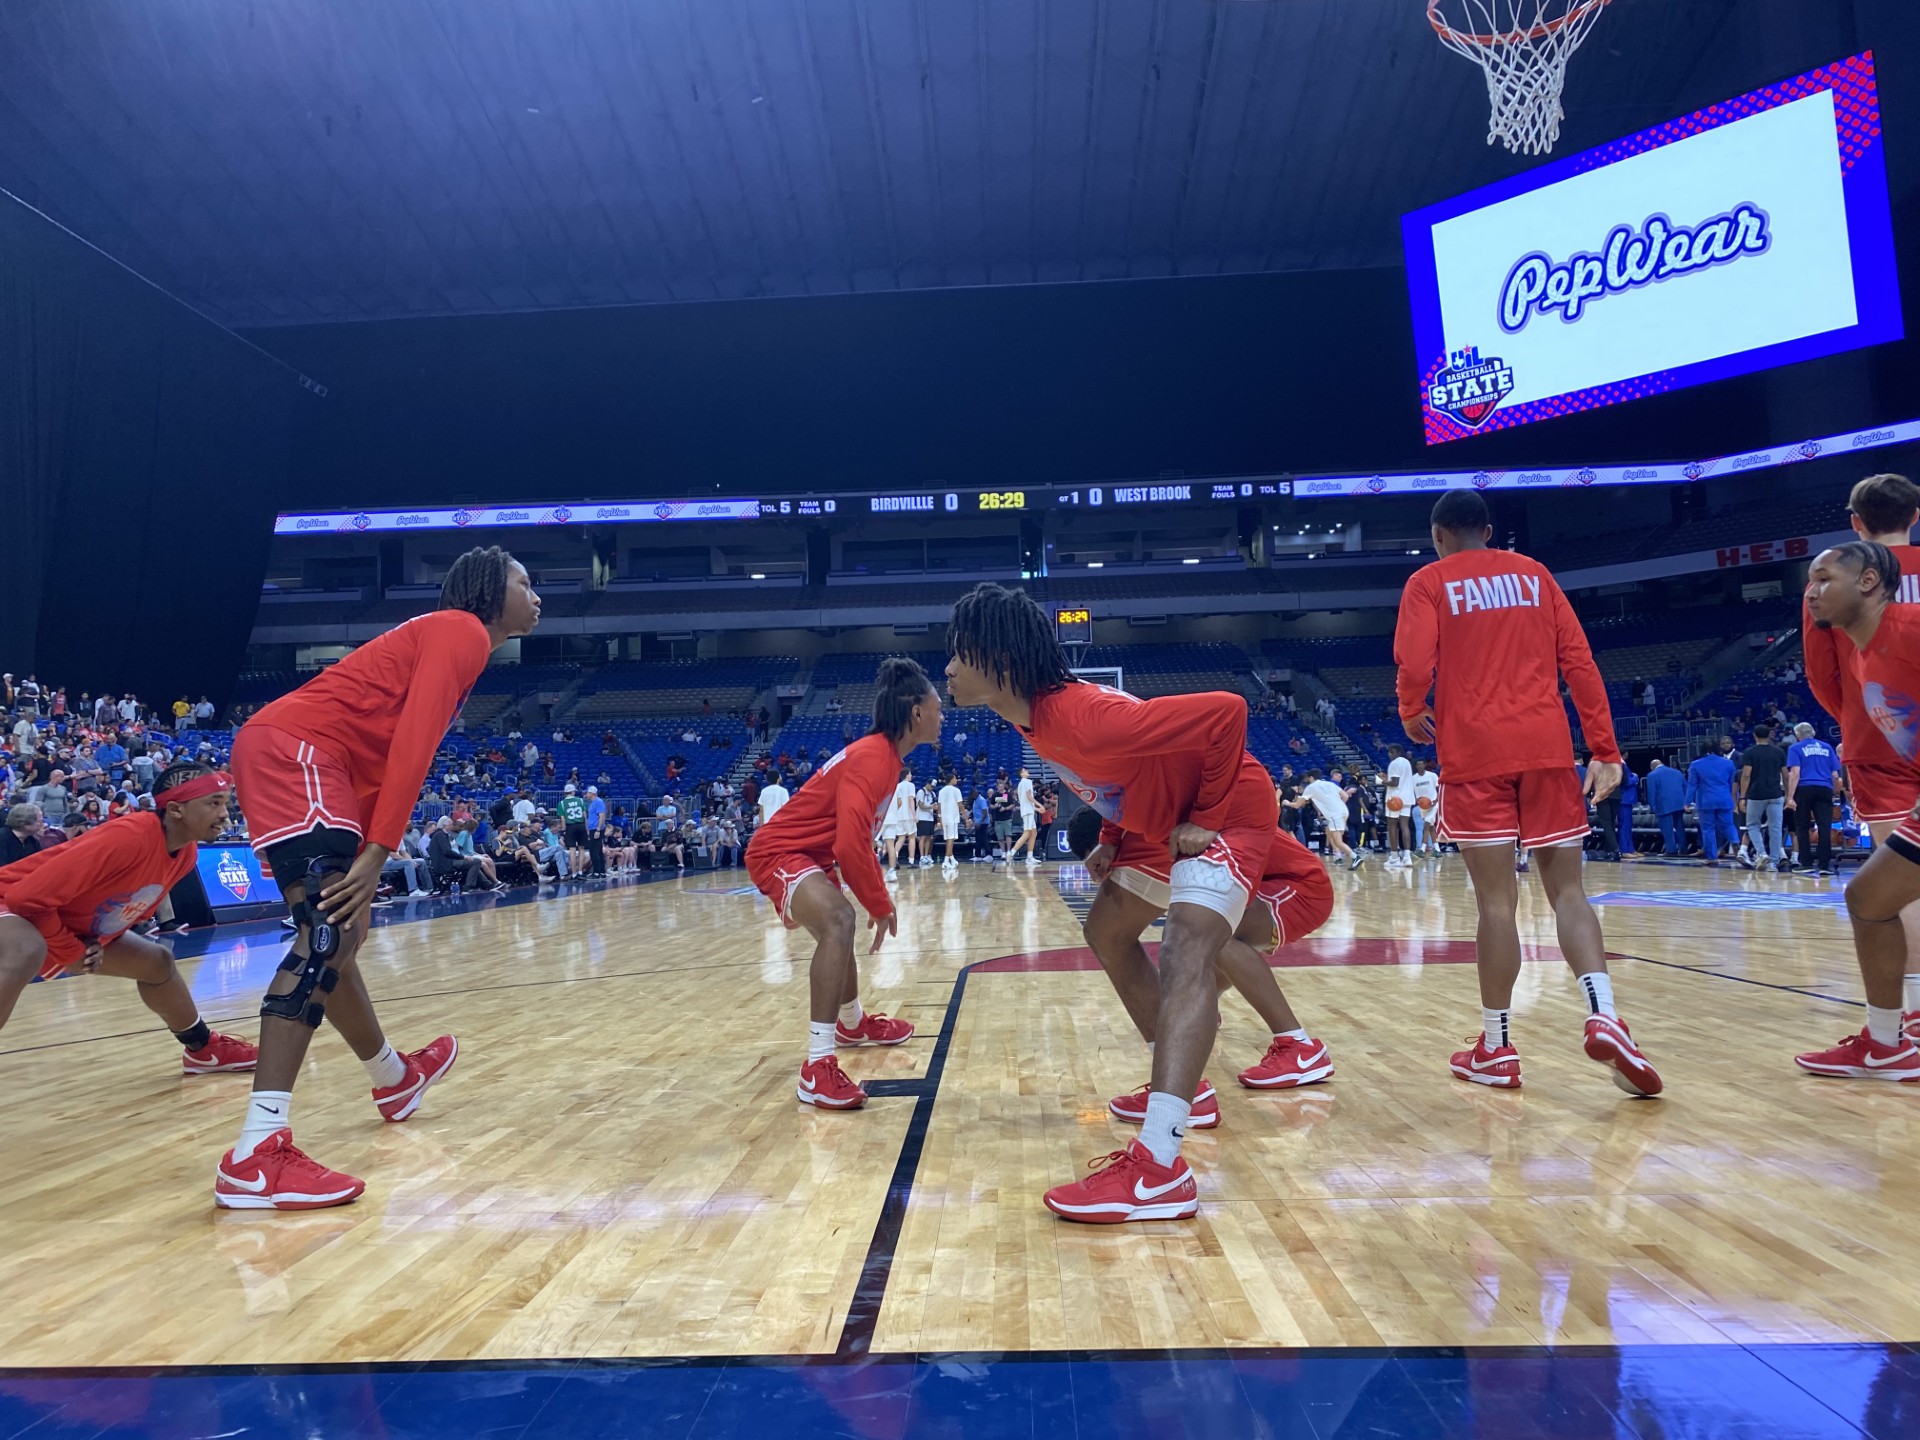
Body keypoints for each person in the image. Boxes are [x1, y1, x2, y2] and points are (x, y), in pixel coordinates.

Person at [214, 546, 540, 1211]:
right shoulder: (461, 631)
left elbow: (385, 750)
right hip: (299, 751)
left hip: (301, 756)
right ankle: (256, 1153)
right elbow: (414, 743)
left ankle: (394, 1079)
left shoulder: (449, 638)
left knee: (341, 933)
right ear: (485, 590)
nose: (538, 595)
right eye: (524, 583)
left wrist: (367, 847)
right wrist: (378, 851)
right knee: (326, 938)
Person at [946, 583, 1277, 1222]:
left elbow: (1227, 712)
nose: (950, 668)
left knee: (1183, 950)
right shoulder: (1025, 716)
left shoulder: (1079, 715)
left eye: (961, 653)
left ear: (1002, 662)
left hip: (1229, 811)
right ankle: (1190, 1090)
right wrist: (1115, 836)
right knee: (1107, 931)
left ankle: (1159, 1167)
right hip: (1159, 827)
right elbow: (1131, 772)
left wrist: (1206, 816)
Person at [1394, 489, 1661, 1097]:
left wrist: (1412, 709)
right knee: (1568, 891)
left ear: (1437, 535)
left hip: (1474, 752)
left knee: (1496, 904)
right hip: (1545, 747)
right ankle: (1603, 1010)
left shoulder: (1429, 581)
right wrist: (1606, 750)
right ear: (1488, 531)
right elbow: (1580, 662)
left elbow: (1414, 662)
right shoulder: (1536, 574)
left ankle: (1496, 1047)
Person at [744, 659, 933, 1111]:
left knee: (839, 927)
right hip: (779, 851)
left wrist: (875, 896)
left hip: (812, 852)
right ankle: (817, 1067)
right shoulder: (873, 758)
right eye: (937, 707)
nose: (942, 715)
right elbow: (851, 844)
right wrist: (880, 902)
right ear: (917, 713)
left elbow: (852, 842)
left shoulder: (884, 757)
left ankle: (852, 1024)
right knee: (840, 919)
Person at [1067, 808, 1336, 1110]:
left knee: (1205, 928)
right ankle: (1205, 1022)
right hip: (1264, 885)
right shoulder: (1143, 824)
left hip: (1299, 885)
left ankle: (1299, 1047)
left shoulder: (1150, 828)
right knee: (1195, 933)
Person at [0, 764, 256, 1073]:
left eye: (226, 802)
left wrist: (87, 945)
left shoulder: (186, 854)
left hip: (55, 923)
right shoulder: (128, 835)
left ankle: (203, 1049)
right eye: (214, 803)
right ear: (176, 809)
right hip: (11, 903)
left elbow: (112, 918)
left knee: (157, 963)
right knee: (25, 948)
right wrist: (71, 951)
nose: (225, 813)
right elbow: (24, 898)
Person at [1797, 542, 1920, 1077]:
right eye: (1809, 580)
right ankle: (1887, 1042)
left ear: (1868, 581)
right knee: (1868, 897)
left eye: (1824, 579)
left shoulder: (1910, 627)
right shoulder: (1867, 657)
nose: (1812, 591)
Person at [1784, 722, 1838, 878]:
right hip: (1825, 788)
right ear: (1813, 733)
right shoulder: (1827, 747)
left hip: (1804, 788)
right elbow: (1835, 774)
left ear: (1798, 735)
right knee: (1824, 827)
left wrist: (1790, 797)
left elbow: (1795, 773)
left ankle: (1806, 863)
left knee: (1802, 826)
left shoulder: (1795, 748)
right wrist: (1833, 792)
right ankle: (1824, 865)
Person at [1738, 723, 1790, 871]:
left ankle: (1762, 854)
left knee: (1753, 825)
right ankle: (1773, 862)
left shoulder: (1750, 752)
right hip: (1775, 794)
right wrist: (1788, 794)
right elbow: (1785, 776)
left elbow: (1746, 775)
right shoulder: (1779, 752)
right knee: (1775, 828)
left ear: (1754, 735)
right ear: (1769, 735)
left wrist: (1742, 797)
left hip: (1756, 795)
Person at [1287, 769, 1362, 870]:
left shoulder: (1311, 787)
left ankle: (1355, 857)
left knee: (1338, 841)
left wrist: (1286, 803)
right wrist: (1337, 806)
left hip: (1335, 815)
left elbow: (1297, 805)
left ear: (1311, 778)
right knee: (1328, 831)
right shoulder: (1329, 784)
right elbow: (1345, 796)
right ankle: (1338, 856)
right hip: (1344, 811)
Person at [1686, 747, 1740, 864]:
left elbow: (1692, 785)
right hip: (1725, 798)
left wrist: (1687, 802)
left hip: (1706, 801)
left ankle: (1712, 857)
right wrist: (1736, 800)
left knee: (1708, 829)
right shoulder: (1729, 763)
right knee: (1728, 825)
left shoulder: (1696, 764)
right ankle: (1735, 841)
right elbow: (1733, 784)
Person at [1642, 757, 1687, 857]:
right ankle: (1684, 849)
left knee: (1667, 829)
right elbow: (1685, 787)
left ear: (1652, 767)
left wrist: (1652, 807)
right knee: (1680, 827)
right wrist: (1687, 803)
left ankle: (1671, 850)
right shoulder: (1677, 772)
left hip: (1663, 805)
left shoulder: (1652, 775)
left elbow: (1651, 792)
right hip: (1679, 803)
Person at [1383, 745, 1414, 868]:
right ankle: (1407, 857)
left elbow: (1394, 783)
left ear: (1397, 752)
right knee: (1405, 826)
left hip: (1395, 798)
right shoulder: (1407, 763)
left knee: (1392, 826)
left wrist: (1381, 782)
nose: (1389, 754)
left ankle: (1394, 857)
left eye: (1391, 752)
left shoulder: (1394, 764)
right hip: (1407, 798)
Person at [882, 767, 915, 879]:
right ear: (907, 775)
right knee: (911, 837)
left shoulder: (897, 786)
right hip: (905, 816)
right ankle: (911, 861)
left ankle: (891, 856)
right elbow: (910, 800)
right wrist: (914, 815)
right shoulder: (908, 786)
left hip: (894, 816)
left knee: (900, 837)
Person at [1410, 758, 1440, 858]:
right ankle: (1437, 850)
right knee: (1431, 827)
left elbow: (1439, 789)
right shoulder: (1413, 778)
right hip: (1422, 806)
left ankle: (1422, 850)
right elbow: (1413, 792)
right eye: (1418, 765)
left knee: (1426, 826)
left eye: (1421, 764)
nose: (1420, 766)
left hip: (1433, 804)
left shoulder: (1432, 776)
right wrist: (1417, 800)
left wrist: (1435, 801)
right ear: (1416, 766)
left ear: (1425, 765)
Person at [936, 772, 965, 870]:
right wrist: (966, 817)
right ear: (951, 779)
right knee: (950, 839)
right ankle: (946, 860)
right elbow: (960, 805)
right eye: (955, 778)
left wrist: (939, 818)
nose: (956, 780)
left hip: (944, 818)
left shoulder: (941, 791)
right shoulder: (956, 790)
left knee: (949, 838)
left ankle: (952, 859)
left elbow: (939, 806)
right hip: (952, 817)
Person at [913, 780, 937, 868]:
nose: (932, 788)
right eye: (931, 786)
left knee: (929, 838)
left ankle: (927, 855)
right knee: (922, 837)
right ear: (927, 784)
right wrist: (931, 807)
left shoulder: (933, 794)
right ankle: (922, 856)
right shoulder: (921, 792)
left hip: (930, 818)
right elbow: (921, 805)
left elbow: (935, 804)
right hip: (922, 817)